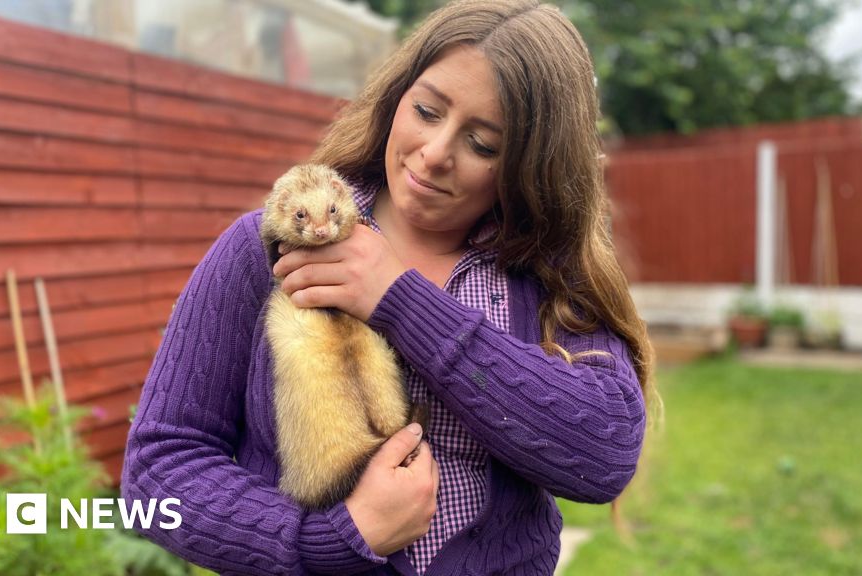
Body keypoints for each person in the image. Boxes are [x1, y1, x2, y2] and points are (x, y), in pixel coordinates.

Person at [120, 0, 661, 574]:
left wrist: (399, 300)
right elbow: (160, 471)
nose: (433, 155)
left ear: (530, 164)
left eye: (482, 144)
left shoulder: (543, 276)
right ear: (396, 95)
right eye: (427, 111)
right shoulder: (266, 251)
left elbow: (603, 454)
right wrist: (327, 540)